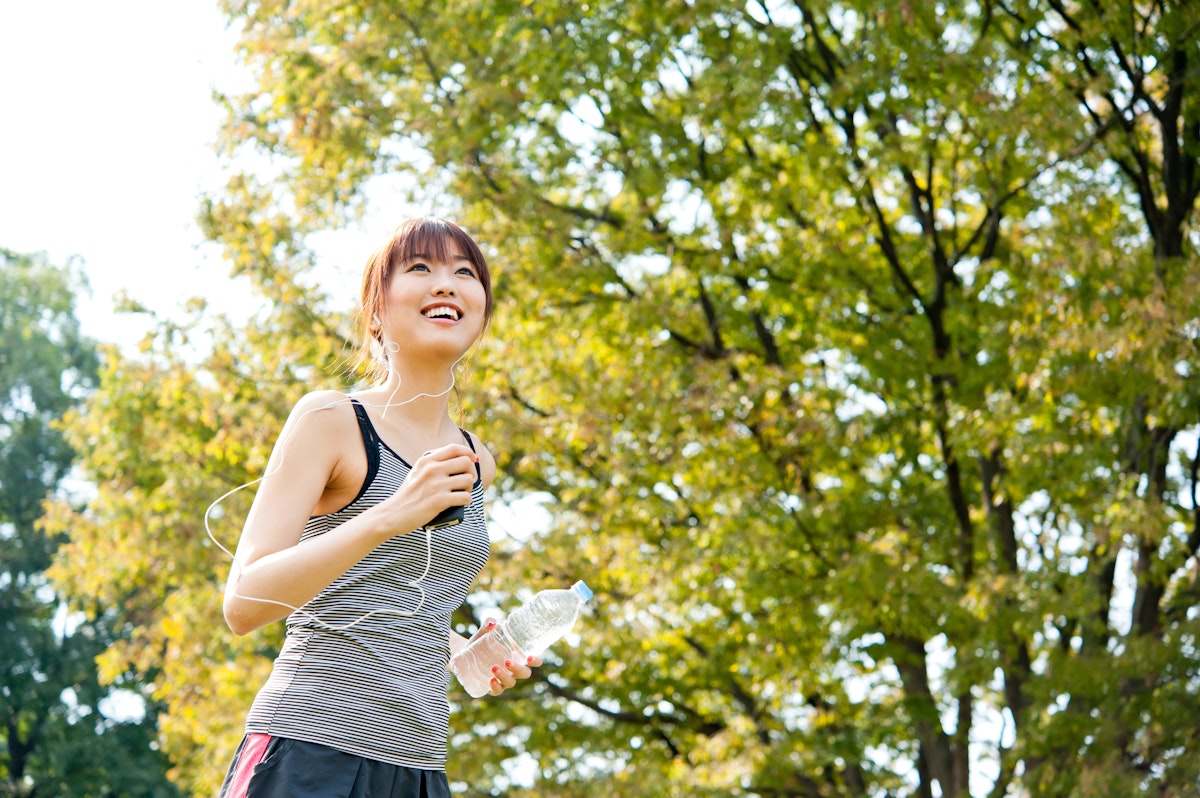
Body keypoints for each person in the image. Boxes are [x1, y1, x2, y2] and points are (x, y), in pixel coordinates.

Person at [218, 217, 537, 798]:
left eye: (464, 272)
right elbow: (243, 604)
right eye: (420, 268)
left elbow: (391, 598)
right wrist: (391, 514)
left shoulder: (476, 460)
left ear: (482, 313)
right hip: (307, 751)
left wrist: (466, 652)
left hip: (419, 769)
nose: (446, 284)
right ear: (375, 310)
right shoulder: (332, 421)